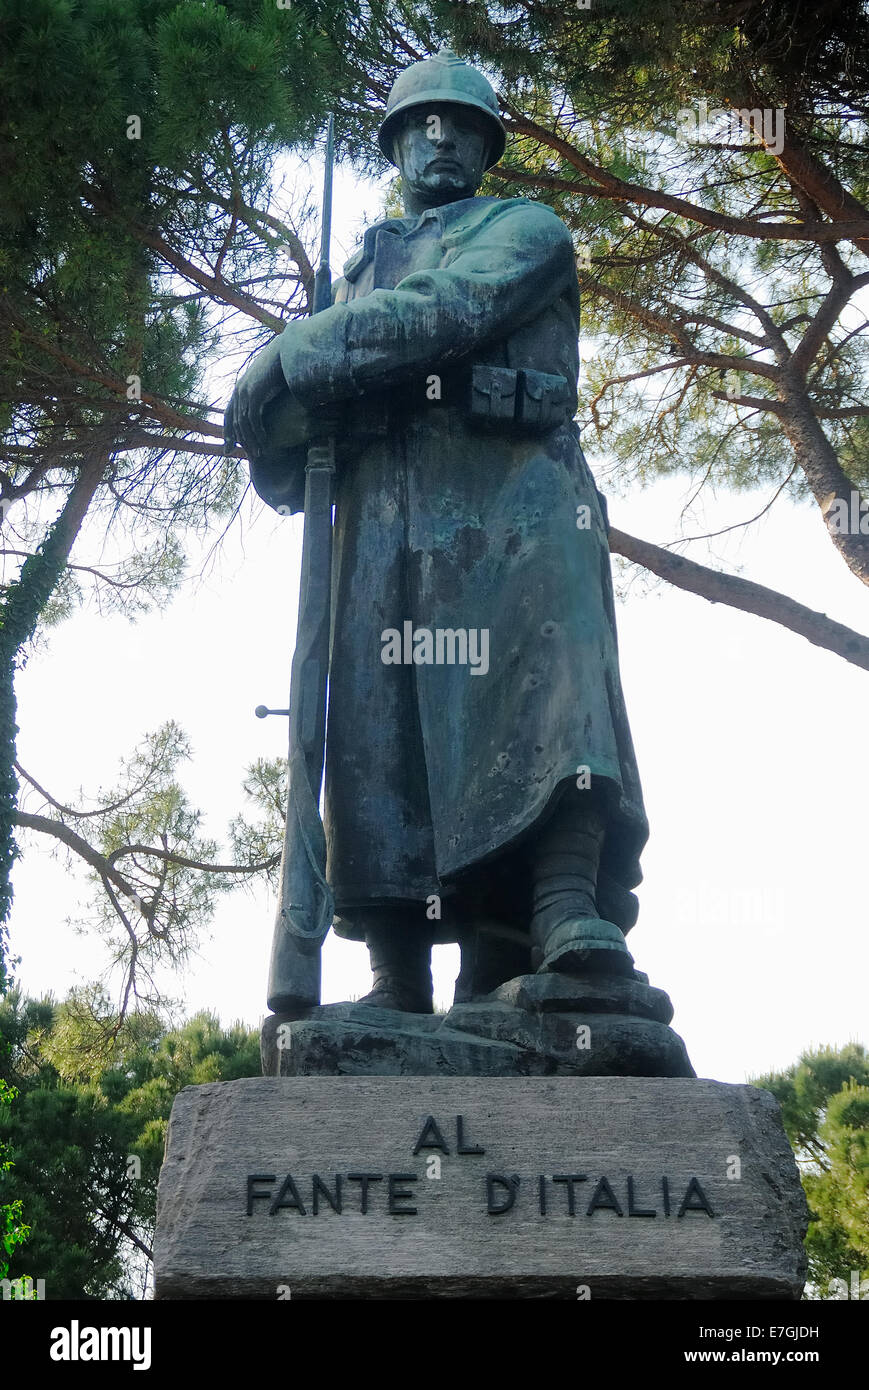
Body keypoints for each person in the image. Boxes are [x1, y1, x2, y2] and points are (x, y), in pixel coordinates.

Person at [225, 49, 648, 1015]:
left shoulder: (523, 228)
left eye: (461, 123)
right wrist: (284, 412)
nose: (442, 136)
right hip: (381, 522)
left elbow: (451, 309)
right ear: (397, 143)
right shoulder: (356, 272)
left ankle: (558, 912)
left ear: (488, 144)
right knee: (376, 734)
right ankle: (394, 978)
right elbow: (282, 462)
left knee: (545, 690)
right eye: (423, 123)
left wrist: (293, 350)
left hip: (513, 506)